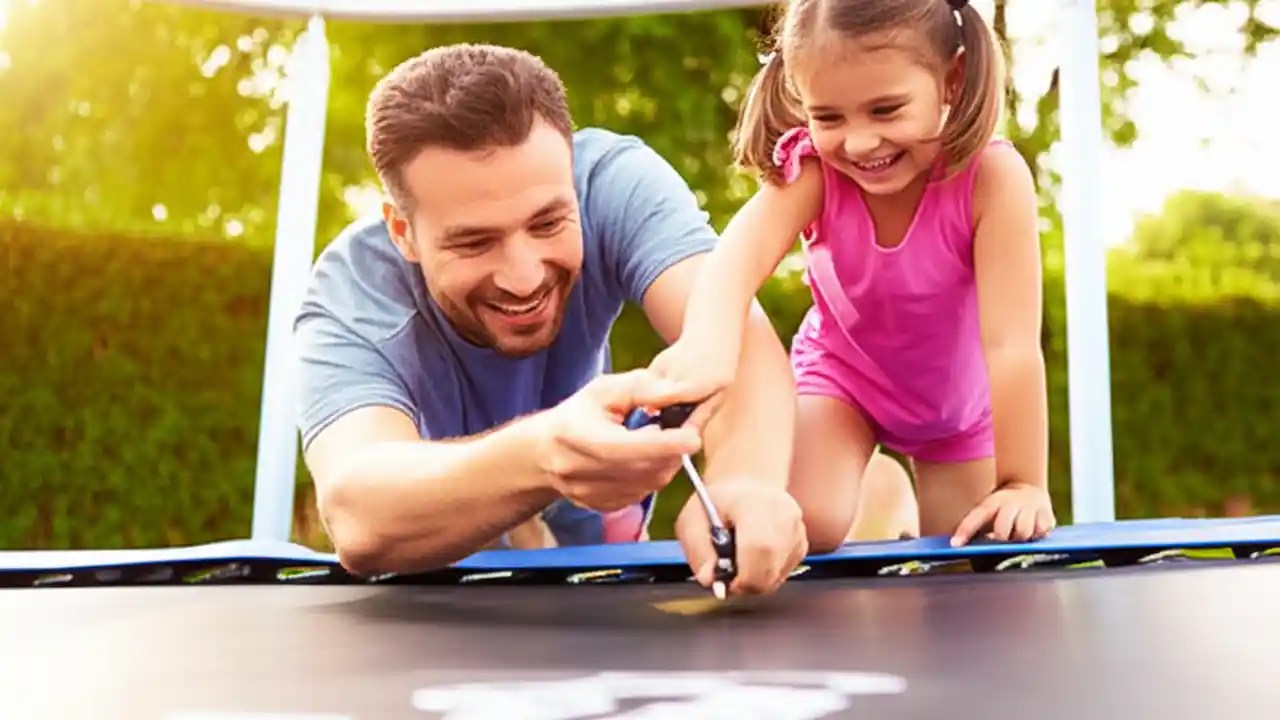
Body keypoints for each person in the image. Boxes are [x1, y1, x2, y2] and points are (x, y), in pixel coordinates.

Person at [292, 43, 809, 597]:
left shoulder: (613, 182)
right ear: (402, 231)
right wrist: (544, 453)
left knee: (608, 560)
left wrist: (745, 481)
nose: (523, 277)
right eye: (474, 241)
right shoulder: (348, 296)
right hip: (445, 527)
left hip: (594, 504)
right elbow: (357, 512)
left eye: (548, 223)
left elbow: (735, 335)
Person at [647, 0, 1056, 552]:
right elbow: (733, 263)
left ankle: (885, 490)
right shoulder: (814, 171)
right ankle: (869, 483)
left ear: (951, 80)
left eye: (886, 110)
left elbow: (1011, 346)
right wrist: (704, 348)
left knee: (975, 555)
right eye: (829, 117)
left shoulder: (993, 178)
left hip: (960, 410)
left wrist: (1024, 483)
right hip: (845, 382)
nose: (860, 143)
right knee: (806, 523)